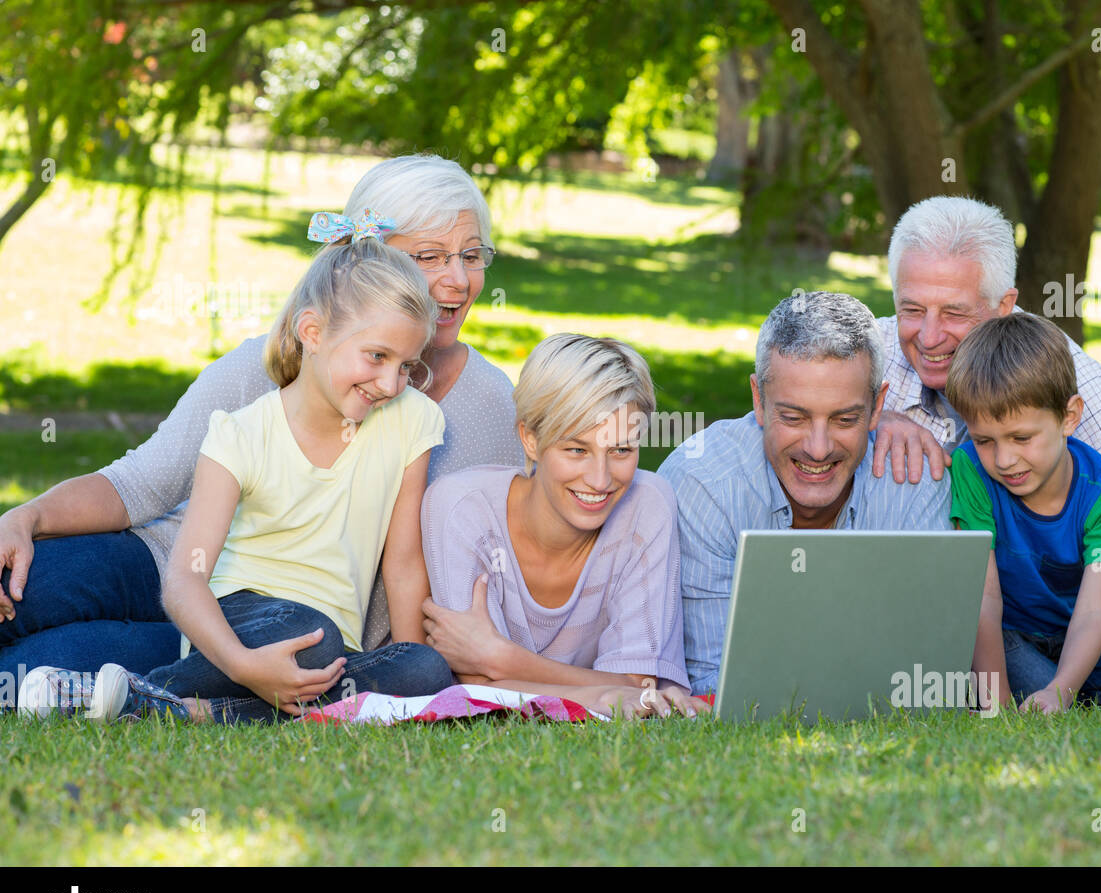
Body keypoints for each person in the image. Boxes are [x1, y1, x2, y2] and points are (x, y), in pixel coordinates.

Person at [0, 154, 524, 694]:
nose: (457, 280)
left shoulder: (490, 408)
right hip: (176, 568)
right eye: (429, 256)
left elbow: (515, 549)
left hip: (298, 631)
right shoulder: (274, 362)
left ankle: (152, 695)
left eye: (471, 255)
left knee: (48, 661)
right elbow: (141, 483)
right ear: (368, 261)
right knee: (25, 585)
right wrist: (29, 516)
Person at [20, 229, 458, 722]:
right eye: (377, 357)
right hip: (244, 619)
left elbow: (402, 562)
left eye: (406, 366)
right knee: (311, 643)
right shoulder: (240, 434)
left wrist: (418, 693)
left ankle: (171, 706)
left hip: (333, 649)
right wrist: (244, 664)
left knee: (424, 669)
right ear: (312, 333)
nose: (390, 383)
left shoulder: (413, 420)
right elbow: (184, 580)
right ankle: (191, 688)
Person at [871, 195, 1101, 707]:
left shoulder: (1053, 372)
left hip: (1026, 621)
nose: (929, 337)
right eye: (911, 309)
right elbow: (779, 421)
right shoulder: (863, 357)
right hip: (908, 622)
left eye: (954, 312)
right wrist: (869, 417)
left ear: (1004, 306)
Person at [658, 292, 952, 695]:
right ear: (758, 401)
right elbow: (715, 682)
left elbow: (924, 676)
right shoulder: (703, 486)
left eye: (845, 419)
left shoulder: (914, 480)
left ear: (877, 405)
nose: (818, 448)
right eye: (793, 417)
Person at [420, 333, 702, 718]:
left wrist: (499, 656)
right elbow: (475, 688)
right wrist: (598, 693)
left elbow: (639, 684)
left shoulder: (648, 504)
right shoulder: (461, 507)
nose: (600, 480)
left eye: (621, 450)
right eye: (577, 450)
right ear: (530, 439)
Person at [944, 312, 1101, 714]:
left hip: (1068, 629)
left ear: (1069, 417)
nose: (1004, 459)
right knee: (1034, 687)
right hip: (1004, 631)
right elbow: (983, 599)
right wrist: (997, 701)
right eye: (984, 440)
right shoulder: (971, 470)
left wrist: (1061, 690)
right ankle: (986, 686)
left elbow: (1094, 611)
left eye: (1021, 437)